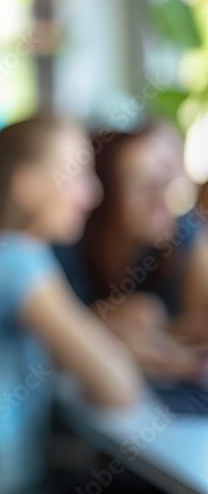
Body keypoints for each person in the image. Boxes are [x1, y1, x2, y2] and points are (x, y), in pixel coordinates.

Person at [0, 116, 144, 494]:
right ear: (26, 186)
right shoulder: (17, 259)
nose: (92, 194)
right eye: (77, 174)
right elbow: (119, 389)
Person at [54, 122, 208, 374]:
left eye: (162, 181)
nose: (159, 197)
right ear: (99, 192)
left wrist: (169, 332)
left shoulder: (184, 233)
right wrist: (98, 323)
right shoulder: (65, 248)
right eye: (139, 183)